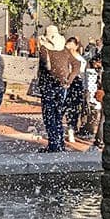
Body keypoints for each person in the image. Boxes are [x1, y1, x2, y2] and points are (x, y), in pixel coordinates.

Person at [37, 25, 78, 153]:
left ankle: (53, 146)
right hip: (61, 86)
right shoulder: (64, 50)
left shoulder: (44, 49)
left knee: (49, 116)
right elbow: (77, 64)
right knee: (58, 116)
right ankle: (60, 145)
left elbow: (45, 65)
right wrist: (69, 79)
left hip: (48, 86)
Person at [64, 37, 86, 143]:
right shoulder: (64, 56)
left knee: (74, 108)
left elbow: (83, 74)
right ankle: (63, 130)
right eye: (69, 43)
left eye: (73, 44)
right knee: (64, 107)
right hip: (66, 83)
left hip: (77, 84)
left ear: (77, 46)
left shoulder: (81, 59)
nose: (71, 46)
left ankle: (71, 129)